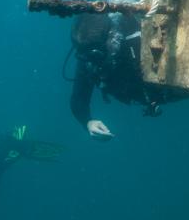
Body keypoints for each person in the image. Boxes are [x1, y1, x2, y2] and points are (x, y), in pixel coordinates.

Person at [68, 10, 167, 140]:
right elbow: (78, 98)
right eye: (83, 54)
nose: (92, 64)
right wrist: (88, 122)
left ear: (111, 40)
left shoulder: (134, 37)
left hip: (165, 90)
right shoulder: (88, 58)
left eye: (96, 56)